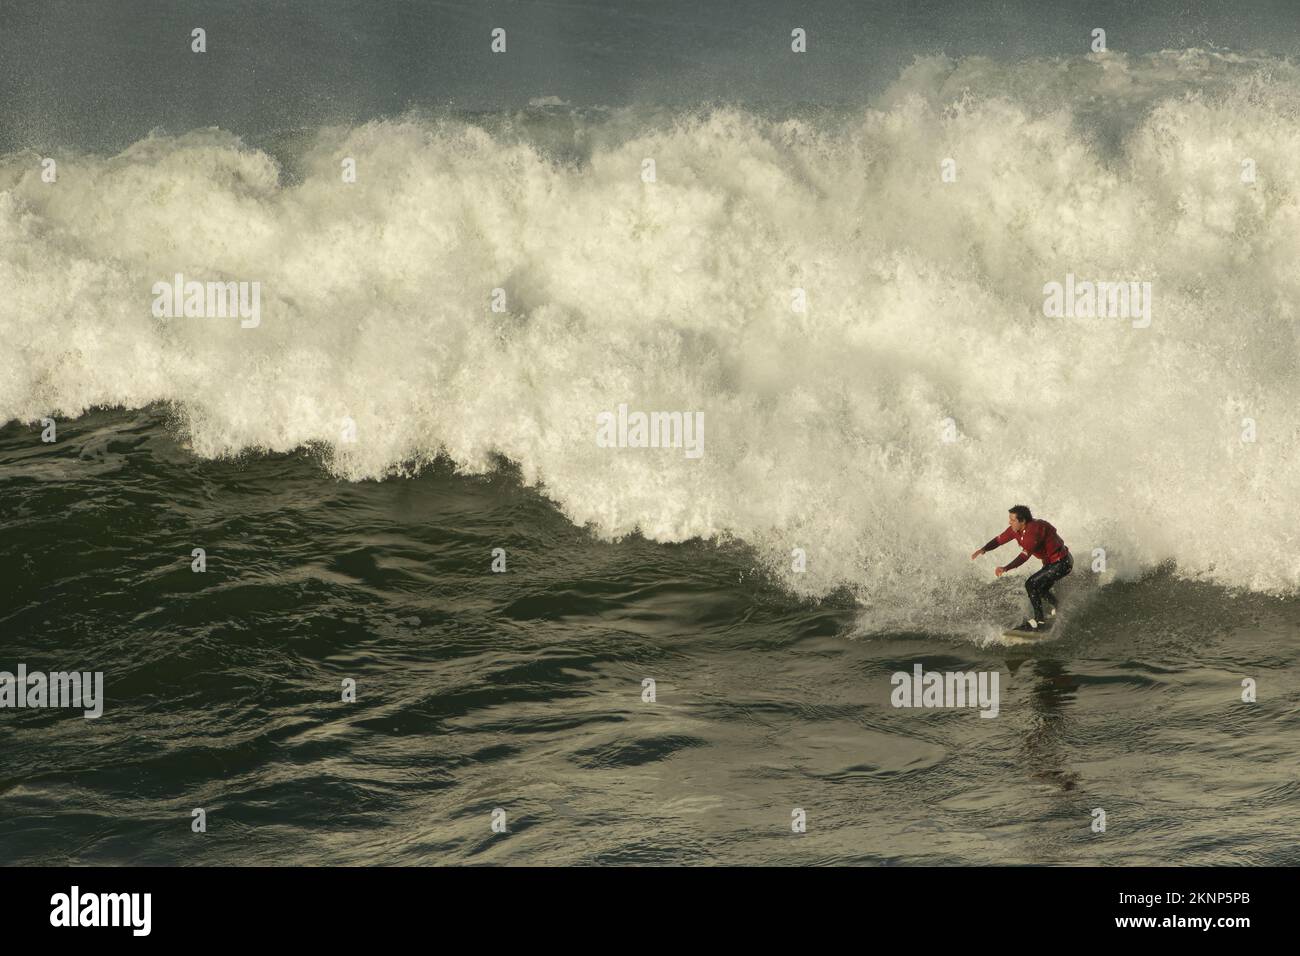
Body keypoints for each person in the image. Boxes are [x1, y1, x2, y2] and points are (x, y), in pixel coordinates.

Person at [971, 505, 1072, 631]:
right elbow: (999, 539)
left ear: (1023, 521)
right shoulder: (1016, 529)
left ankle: (1039, 621)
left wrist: (1006, 568)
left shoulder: (1033, 532)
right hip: (1052, 563)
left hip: (1061, 563)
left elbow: (1024, 556)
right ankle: (1058, 606)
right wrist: (984, 549)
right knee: (1039, 589)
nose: (1010, 522)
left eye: (1013, 520)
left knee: (1031, 584)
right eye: (1010, 519)